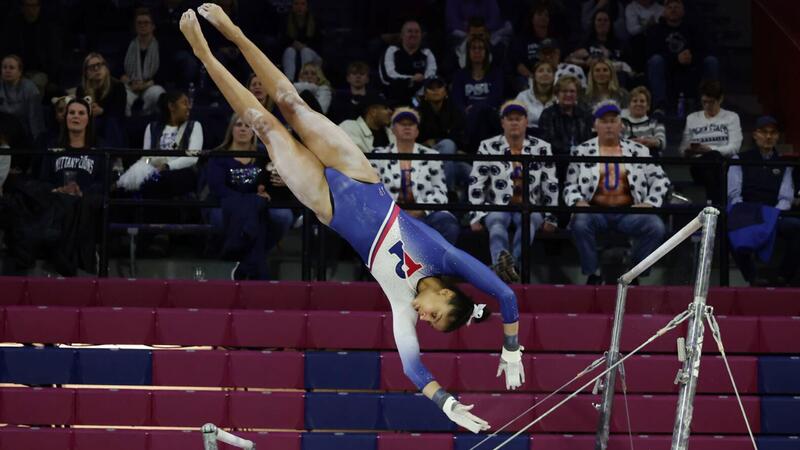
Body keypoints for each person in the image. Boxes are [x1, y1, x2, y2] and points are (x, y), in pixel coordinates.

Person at [182, 4, 523, 431]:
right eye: (434, 316)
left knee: (265, 127)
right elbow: (505, 296)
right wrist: (511, 347)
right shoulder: (446, 258)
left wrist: (446, 404)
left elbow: (412, 367)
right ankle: (235, 33)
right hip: (360, 177)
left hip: (328, 204)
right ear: (450, 297)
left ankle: (205, 56)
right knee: (289, 101)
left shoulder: (403, 305)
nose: (424, 317)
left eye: (428, 322)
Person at [564, 101, 670, 285]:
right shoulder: (581, 151)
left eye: (613, 121)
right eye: (604, 121)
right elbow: (569, 185)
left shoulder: (639, 150)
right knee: (580, 223)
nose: (609, 125)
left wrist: (650, 203)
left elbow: (661, 180)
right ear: (595, 126)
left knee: (655, 226)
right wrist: (578, 201)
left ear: (621, 125)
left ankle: (634, 271)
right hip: (594, 211)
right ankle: (593, 272)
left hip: (629, 211)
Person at [468, 100, 559, 283]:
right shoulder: (488, 146)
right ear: (503, 123)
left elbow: (550, 184)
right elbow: (476, 182)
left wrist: (551, 217)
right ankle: (508, 268)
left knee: (529, 223)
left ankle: (505, 268)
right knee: (496, 226)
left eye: (519, 119)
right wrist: (476, 215)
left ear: (526, 122)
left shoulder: (542, 147)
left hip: (530, 206)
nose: (514, 122)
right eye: (510, 119)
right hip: (498, 205)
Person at [206, 113, 291, 280]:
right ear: (231, 129)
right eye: (238, 125)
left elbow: (271, 181)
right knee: (227, 218)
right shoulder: (219, 156)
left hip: (258, 204)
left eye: (247, 126)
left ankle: (245, 264)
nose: (243, 129)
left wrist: (273, 188)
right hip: (227, 202)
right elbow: (218, 188)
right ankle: (254, 264)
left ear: (254, 132)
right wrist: (249, 202)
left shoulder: (264, 154)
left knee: (283, 216)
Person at [371, 108, 461, 245]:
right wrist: (396, 212)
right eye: (402, 124)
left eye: (411, 124)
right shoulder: (378, 155)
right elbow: (373, 191)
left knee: (448, 223)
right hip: (389, 215)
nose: (407, 127)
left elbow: (440, 192)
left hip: (424, 213)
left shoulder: (432, 156)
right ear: (393, 130)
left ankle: (435, 266)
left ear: (417, 131)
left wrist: (421, 211)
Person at [727, 116, 799, 286]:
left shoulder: (784, 163)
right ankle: (752, 276)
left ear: (777, 136)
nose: (768, 137)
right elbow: (734, 195)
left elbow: (785, 198)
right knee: (727, 224)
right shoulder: (739, 160)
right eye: (763, 132)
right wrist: (750, 212)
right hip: (746, 211)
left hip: (773, 213)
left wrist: (771, 215)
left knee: (797, 227)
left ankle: (784, 277)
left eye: (773, 133)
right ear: (755, 135)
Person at [117, 90, 203, 195]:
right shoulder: (152, 127)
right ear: (171, 106)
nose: (189, 107)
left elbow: (192, 158)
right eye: (184, 103)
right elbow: (146, 157)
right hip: (156, 170)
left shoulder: (194, 126)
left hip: (182, 171)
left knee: (163, 181)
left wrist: (167, 166)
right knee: (125, 186)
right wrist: (149, 164)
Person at [646, 0, 719, 112]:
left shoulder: (694, 28)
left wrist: (692, 57)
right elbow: (652, 53)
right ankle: (660, 106)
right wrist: (676, 59)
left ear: (683, 10)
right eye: (670, 7)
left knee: (711, 61)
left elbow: (704, 50)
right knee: (656, 61)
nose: (673, 9)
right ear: (664, 11)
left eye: (677, 7)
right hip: (667, 65)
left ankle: (709, 104)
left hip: (691, 64)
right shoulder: (656, 30)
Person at [679, 80, 742, 204]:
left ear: (720, 99)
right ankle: (718, 205)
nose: (707, 106)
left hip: (723, 165)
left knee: (715, 158)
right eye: (704, 102)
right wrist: (688, 150)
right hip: (698, 166)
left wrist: (710, 149)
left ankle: (711, 203)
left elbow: (735, 148)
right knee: (711, 162)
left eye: (711, 102)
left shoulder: (732, 117)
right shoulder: (692, 118)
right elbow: (682, 149)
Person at [417, 77, 469, 196]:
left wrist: (436, 140)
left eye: (439, 87)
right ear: (425, 94)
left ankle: (463, 210)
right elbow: (417, 140)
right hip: (426, 160)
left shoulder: (455, 110)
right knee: (448, 144)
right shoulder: (419, 113)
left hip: (450, 159)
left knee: (470, 173)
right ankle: (449, 193)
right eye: (431, 88)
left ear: (445, 92)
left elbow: (460, 136)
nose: (436, 91)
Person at [0, 0, 62, 97]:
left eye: (34, 6)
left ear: (39, 7)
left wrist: (53, 79)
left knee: (32, 85)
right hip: (17, 70)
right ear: (22, 7)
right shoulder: (13, 25)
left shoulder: (48, 27)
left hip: (40, 72)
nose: (31, 9)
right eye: (28, 6)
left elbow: (54, 56)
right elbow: (6, 50)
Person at [539, 75, 594, 184]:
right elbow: (548, 141)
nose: (568, 94)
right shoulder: (548, 114)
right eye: (564, 91)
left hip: (582, 162)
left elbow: (589, 141)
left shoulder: (585, 113)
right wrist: (570, 153)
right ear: (557, 94)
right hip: (556, 163)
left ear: (577, 94)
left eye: (572, 91)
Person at [378, 20, 438, 103]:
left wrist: (416, 85)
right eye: (409, 31)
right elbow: (387, 77)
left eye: (417, 32)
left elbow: (431, 75)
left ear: (421, 35)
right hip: (394, 98)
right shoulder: (391, 50)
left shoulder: (427, 52)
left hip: (420, 99)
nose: (413, 34)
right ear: (402, 35)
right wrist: (411, 80)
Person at [76, 52, 128, 148]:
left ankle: (115, 157)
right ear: (86, 72)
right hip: (91, 122)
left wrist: (102, 111)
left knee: (111, 122)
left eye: (99, 65)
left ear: (105, 68)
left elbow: (119, 111)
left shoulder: (117, 86)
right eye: (92, 67)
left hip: (112, 124)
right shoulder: (82, 89)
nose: (96, 69)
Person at [122, 9, 167, 116]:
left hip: (151, 85)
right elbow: (118, 70)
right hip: (131, 85)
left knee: (157, 93)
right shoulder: (127, 45)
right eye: (139, 23)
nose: (142, 26)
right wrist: (130, 82)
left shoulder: (161, 47)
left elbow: (164, 74)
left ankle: (148, 122)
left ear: (153, 26)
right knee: (120, 95)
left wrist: (145, 85)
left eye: (146, 23)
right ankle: (126, 126)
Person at [568, 9, 632, 82]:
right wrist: (586, 63)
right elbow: (569, 59)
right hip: (590, 78)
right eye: (599, 20)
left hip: (615, 78)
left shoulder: (620, 44)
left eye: (605, 20)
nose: (602, 23)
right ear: (594, 23)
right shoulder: (585, 43)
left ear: (610, 23)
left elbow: (628, 67)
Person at [0, 55, 44, 146]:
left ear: (20, 72)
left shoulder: (29, 88)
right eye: (4, 67)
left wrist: (38, 143)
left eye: (11, 68)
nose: (7, 70)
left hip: (23, 134)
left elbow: (35, 119)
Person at [281, 0, 322, 82]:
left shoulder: (315, 20)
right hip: (293, 52)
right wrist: (293, 44)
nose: (299, 7)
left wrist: (303, 46)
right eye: (296, 4)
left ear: (307, 6)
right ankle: (290, 82)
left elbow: (319, 44)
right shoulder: (285, 21)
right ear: (292, 6)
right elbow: (282, 41)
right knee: (289, 51)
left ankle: (306, 81)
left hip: (313, 55)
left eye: (302, 4)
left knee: (305, 51)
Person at [621, 86, 665, 157]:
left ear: (648, 106)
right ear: (629, 105)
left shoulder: (656, 122)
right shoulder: (621, 123)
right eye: (635, 101)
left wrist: (649, 142)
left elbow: (662, 142)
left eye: (642, 101)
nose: (638, 104)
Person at [515, 60, 556, 136]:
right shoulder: (523, 97)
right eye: (540, 71)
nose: (545, 74)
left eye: (549, 71)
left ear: (554, 76)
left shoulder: (559, 97)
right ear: (534, 76)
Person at [625, 0, 664, 72]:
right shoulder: (631, 8)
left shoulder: (660, 8)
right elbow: (632, 30)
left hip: (658, 39)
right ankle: (639, 73)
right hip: (639, 41)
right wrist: (646, 26)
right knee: (637, 40)